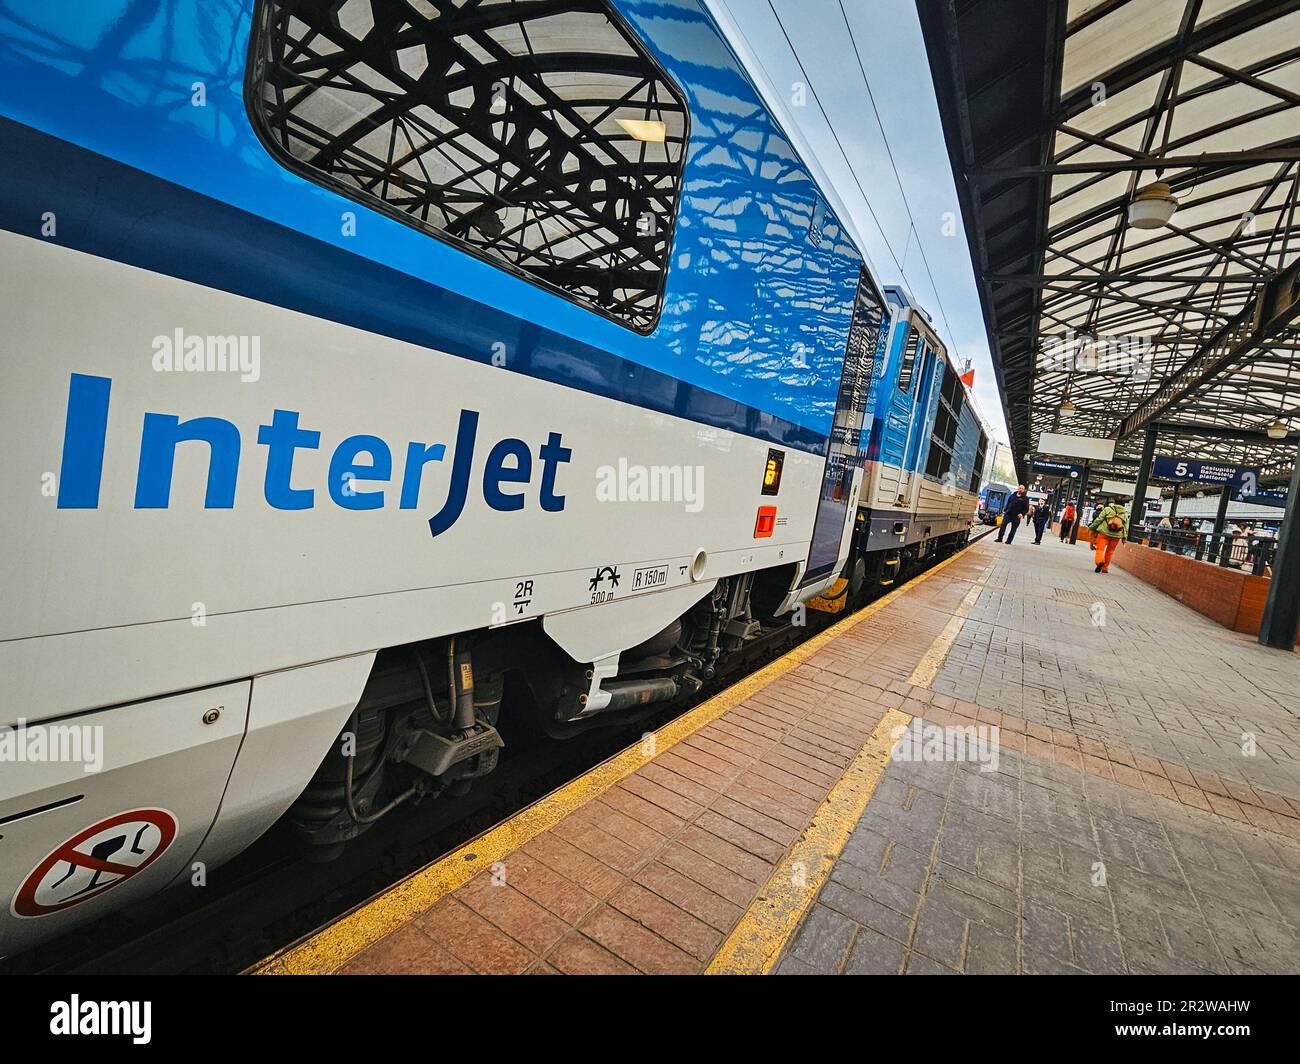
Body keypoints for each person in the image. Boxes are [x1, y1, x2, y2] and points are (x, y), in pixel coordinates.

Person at [1089, 499, 1129, 573]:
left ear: (1114, 503)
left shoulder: (1107, 509)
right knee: (1110, 551)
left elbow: (1099, 519)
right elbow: (1126, 527)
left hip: (1104, 533)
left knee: (1100, 549)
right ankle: (1105, 568)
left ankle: (1099, 562)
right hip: (1116, 536)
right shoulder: (1125, 514)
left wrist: (1092, 527)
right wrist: (1124, 538)